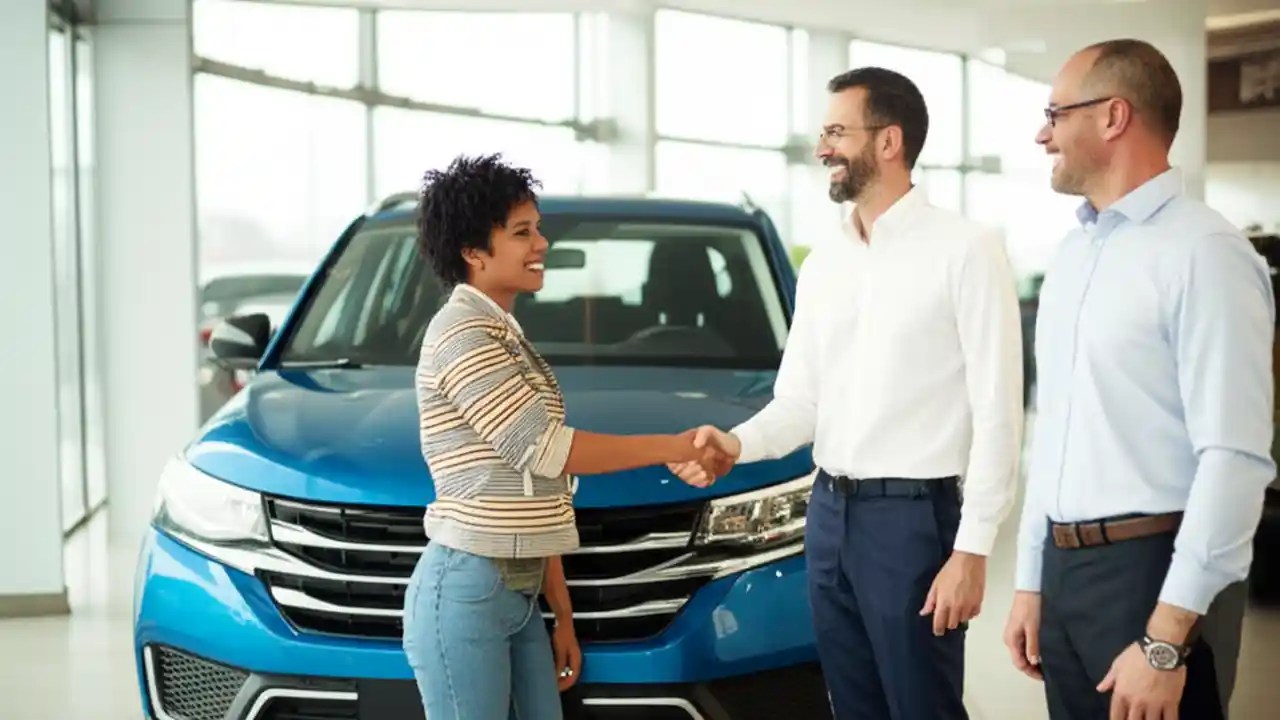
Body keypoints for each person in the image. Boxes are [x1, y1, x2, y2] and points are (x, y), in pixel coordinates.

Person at [669, 67, 1025, 720]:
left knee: (923, 707)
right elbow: (801, 402)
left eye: (836, 131)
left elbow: (1000, 415)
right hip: (828, 514)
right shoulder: (826, 262)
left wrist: (973, 551)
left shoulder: (965, 250)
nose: (821, 148)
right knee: (853, 707)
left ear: (889, 142)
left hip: (914, 521)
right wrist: (735, 443)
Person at [1002, 39, 1276, 720]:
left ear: (1113, 116)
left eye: (1055, 113)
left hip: (1150, 573)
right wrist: (1033, 582)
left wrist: (1164, 642)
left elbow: (1235, 460)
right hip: (1067, 577)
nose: (1043, 133)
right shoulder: (1074, 255)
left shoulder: (1205, 254)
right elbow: (1058, 431)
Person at [402, 153, 723, 720]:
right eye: (522, 232)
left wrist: (562, 615)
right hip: (467, 589)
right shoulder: (464, 334)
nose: (541, 244)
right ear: (473, 252)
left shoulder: (503, 332)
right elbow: (548, 449)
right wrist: (675, 447)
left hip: (516, 593)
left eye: (537, 228)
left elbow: (539, 484)